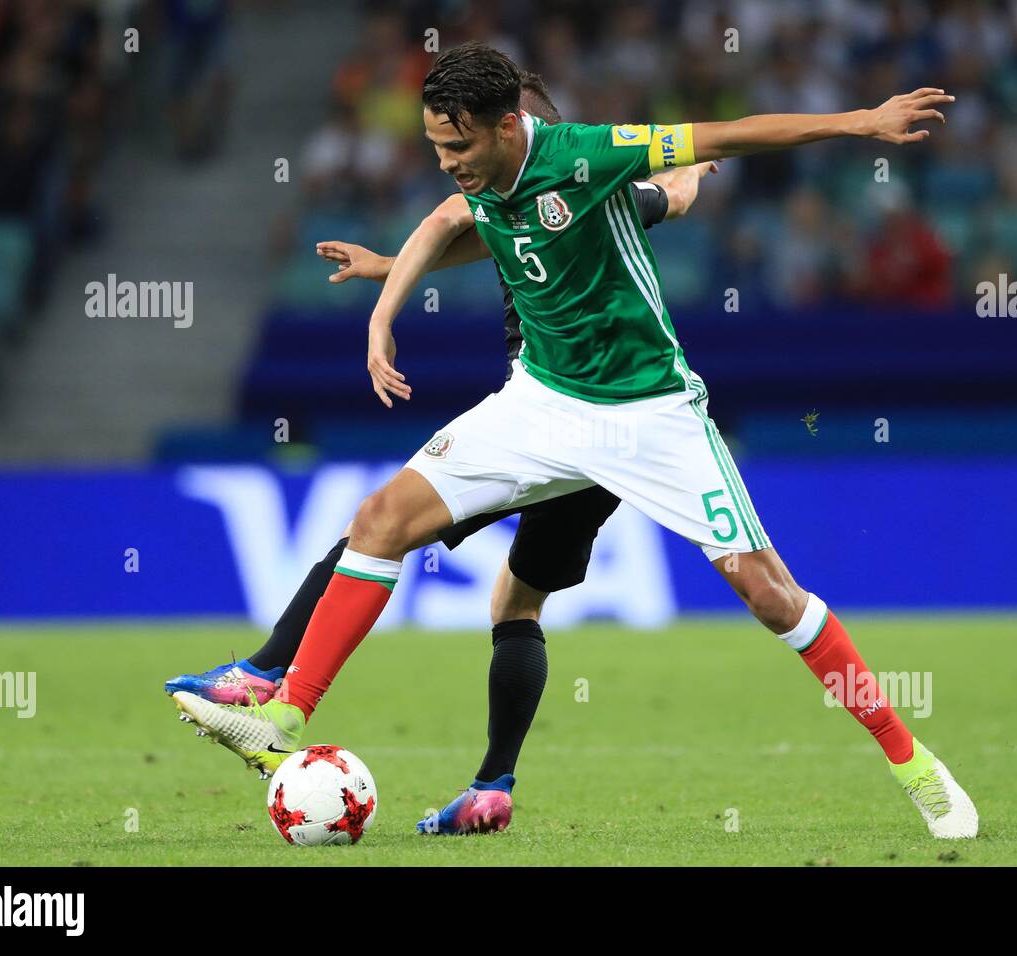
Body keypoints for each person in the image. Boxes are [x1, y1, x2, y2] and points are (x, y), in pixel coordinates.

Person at [173, 42, 977, 840]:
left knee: (770, 595)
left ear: (507, 127)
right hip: (542, 401)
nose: (447, 161)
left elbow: (726, 134)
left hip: (648, 413)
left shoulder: (592, 156)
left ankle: (913, 766)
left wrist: (859, 121)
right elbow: (450, 221)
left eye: (458, 145)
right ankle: (284, 714)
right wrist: (385, 305)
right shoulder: (480, 178)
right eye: (436, 146)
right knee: (380, 519)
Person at [166, 72, 718, 834]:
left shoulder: (516, 183)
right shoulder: (608, 196)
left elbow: (448, 220)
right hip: (617, 439)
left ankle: (264, 676)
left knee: (378, 529)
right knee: (515, 602)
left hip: (550, 419)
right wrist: (688, 172)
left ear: (512, 134)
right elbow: (667, 199)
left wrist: (387, 288)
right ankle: (492, 786)